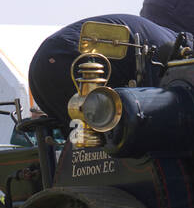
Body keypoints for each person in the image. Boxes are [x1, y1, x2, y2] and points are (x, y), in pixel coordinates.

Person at [28, 14, 181, 128]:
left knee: (81, 139)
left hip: (42, 61)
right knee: (108, 133)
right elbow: (152, 107)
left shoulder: (161, 36)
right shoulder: (168, 47)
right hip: (70, 55)